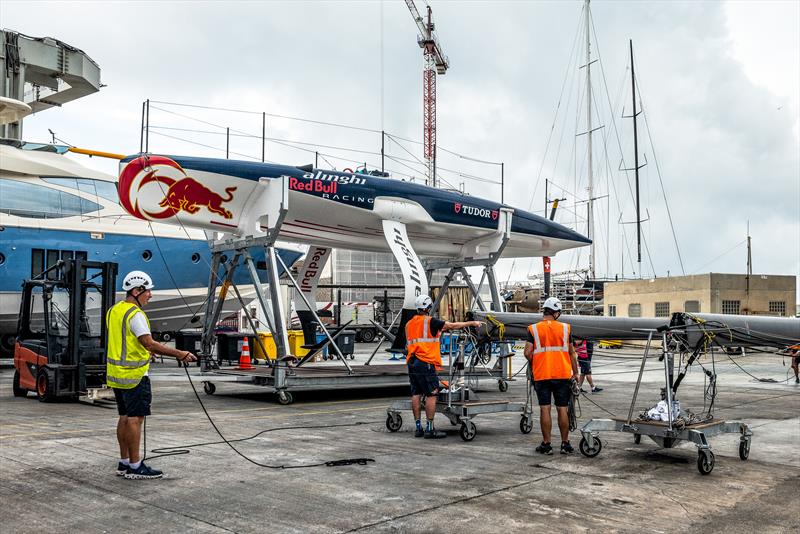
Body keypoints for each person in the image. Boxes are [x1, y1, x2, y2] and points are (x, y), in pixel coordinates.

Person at [107, 271, 197, 480]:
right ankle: (136, 467)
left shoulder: (114, 311)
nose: (150, 295)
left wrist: (145, 352)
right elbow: (148, 341)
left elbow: (125, 340)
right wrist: (180, 353)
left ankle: (125, 462)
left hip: (117, 374)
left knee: (124, 417)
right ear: (137, 291)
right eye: (148, 291)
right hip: (134, 374)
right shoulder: (135, 314)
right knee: (135, 419)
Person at [406, 294, 483, 439]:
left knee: (416, 394)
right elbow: (452, 326)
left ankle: (418, 428)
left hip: (412, 361)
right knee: (431, 394)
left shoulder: (409, 324)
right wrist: (472, 323)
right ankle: (430, 429)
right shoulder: (431, 322)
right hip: (425, 362)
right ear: (428, 308)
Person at [524, 297, 579, 455]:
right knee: (563, 409)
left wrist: (539, 361)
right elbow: (572, 353)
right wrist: (575, 373)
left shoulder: (533, 329)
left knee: (545, 409)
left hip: (542, 375)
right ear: (556, 313)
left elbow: (527, 352)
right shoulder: (565, 328)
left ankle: (547, 444)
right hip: (562, 374)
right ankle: (565, 444)